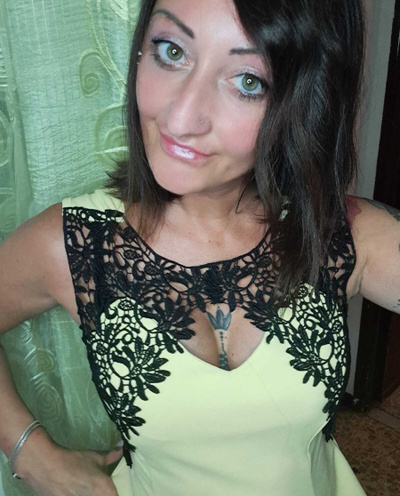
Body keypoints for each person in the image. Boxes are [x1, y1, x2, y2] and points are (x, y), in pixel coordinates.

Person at [0, 0, 399, 495]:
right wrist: (29, 450)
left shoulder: (342, 234)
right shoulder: (75, 244)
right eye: (171, 51)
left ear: (303, 99)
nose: (182, 116)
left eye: (248, 81)